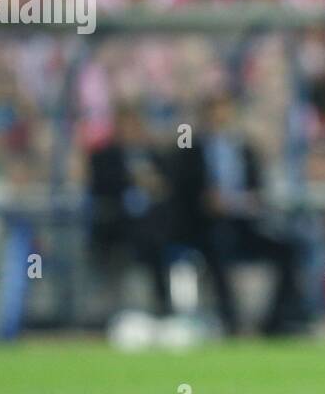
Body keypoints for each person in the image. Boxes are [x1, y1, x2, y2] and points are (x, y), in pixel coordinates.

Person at [168, 92, 307, 336]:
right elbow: (183, 195)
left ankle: (274, 322)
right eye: (215, 110)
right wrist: (206, 201)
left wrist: (248, 201)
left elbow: (258, 191)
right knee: (217, 248)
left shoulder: (245, 150)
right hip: (204, 228)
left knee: (288, 249)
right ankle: (229, 321)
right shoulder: (190, 150)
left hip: (243, 224)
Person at [87, 104, 172, 315]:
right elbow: (100, 188)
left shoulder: (153, 155)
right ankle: (115, 313)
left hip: (152, 225)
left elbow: (169, 188)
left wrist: (155, 185)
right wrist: (132, 180)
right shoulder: (104, 156)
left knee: (156, 238)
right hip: (116, 223)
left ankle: (163, 307)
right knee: (140, 237)